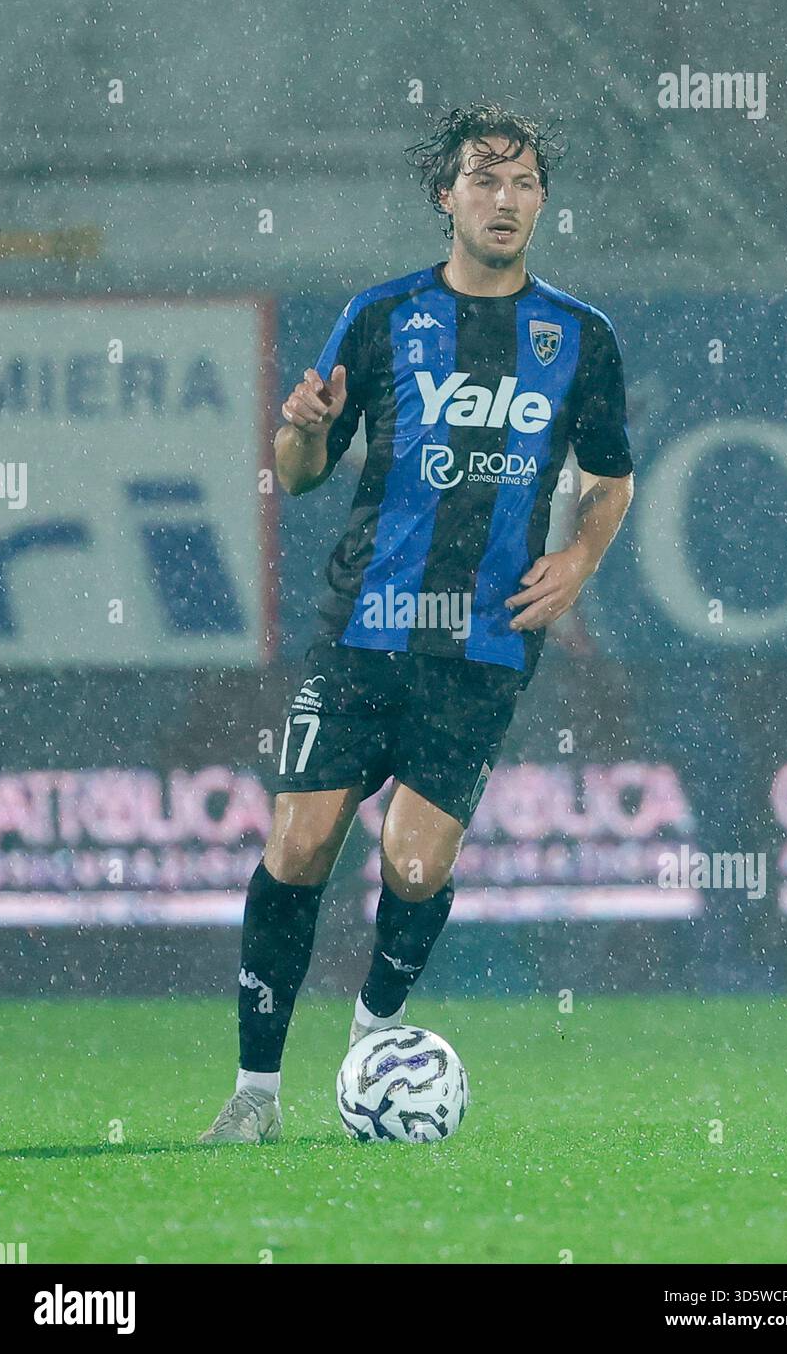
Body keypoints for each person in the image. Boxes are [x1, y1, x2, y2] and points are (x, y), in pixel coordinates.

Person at [200, 102, 634, 1143]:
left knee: (412, 866)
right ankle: (254, 1094)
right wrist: (297, 431)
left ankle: (372, 1042)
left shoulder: (579, 337)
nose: (504, 198)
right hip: (362, 628)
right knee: (299, 844)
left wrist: (576, 560)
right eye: (483, 179)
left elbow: (610, 480)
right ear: (443, 196)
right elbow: (299, 475)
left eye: (523, 182)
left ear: (540, 201)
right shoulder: (382, 315)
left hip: (482, 645)